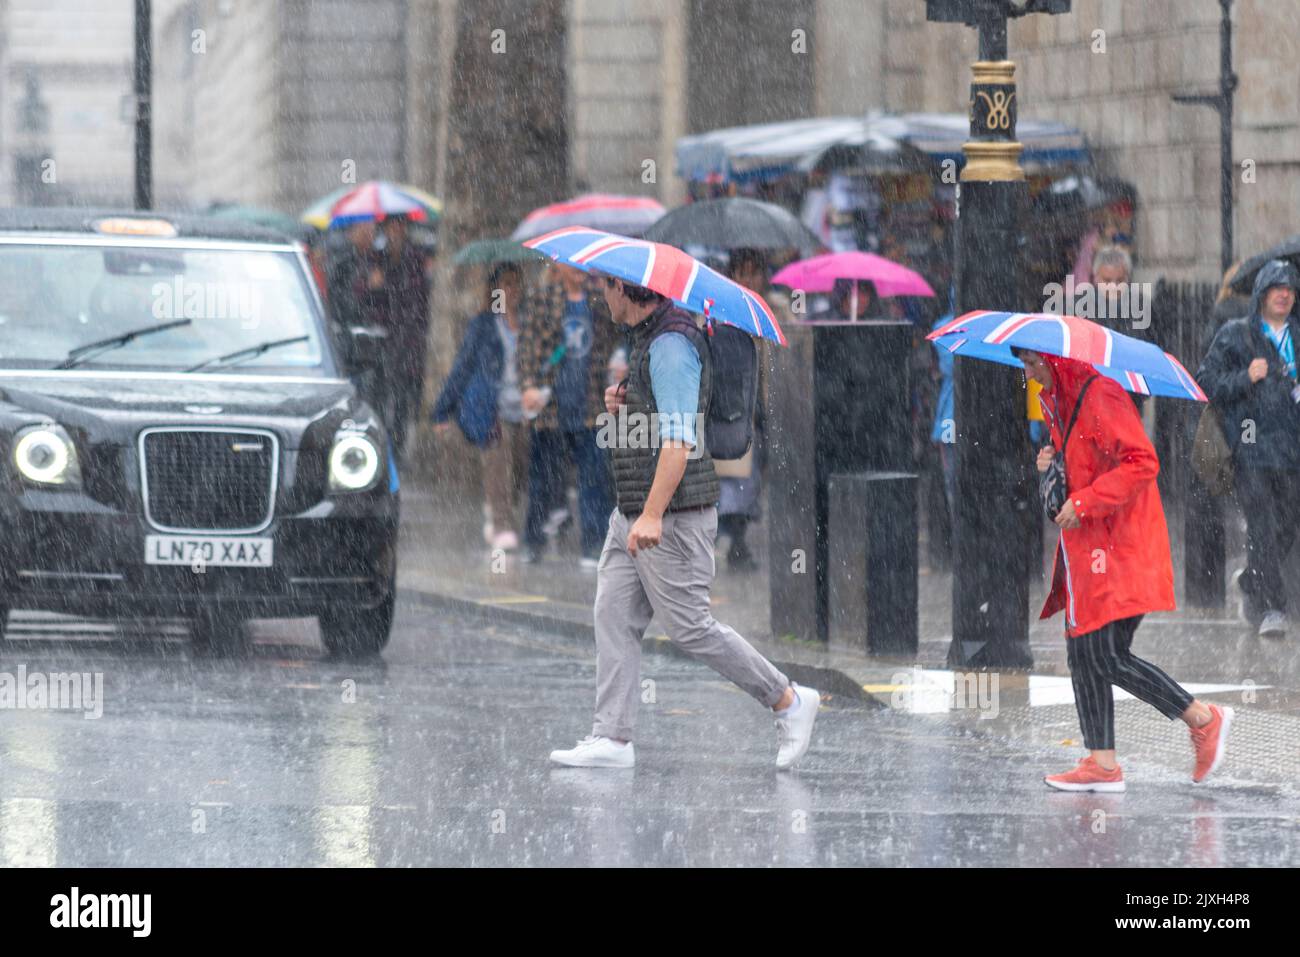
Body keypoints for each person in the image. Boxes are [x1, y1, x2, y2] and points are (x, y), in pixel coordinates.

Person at [549, 275, 819, 770]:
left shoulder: (671, 345)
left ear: (624, 290)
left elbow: (678, 441)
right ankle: (612, 737)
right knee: (613, 615)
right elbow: (655, 422)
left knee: (691, 627)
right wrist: (623, 404)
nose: (600, 297)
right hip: (632, 510)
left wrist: (652, 514)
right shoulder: (652, 337)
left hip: (670, 516)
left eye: (605, 288)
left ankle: (788, 700)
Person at [1019, 348, 1233, 792]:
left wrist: (1084, 500)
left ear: (1054, 360)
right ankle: (1102, 761)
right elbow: (1084, 464)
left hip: (1121, 548)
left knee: (1103, 655)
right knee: (1082, 652)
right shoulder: (1058, 402)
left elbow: (1142, 461)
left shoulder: (1100, 396)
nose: (1030, 375)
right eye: (1024, 366)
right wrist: (1052, 465)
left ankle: (1202, 718)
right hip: (1090, 550)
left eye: (1033, 364)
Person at [1197, 259, 1300, 637]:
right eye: (1277, 288)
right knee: (1262, 526)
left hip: (1291, 447)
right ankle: (1273, 609)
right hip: (1251, 443)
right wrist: (1245, 377)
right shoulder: (1235, 334)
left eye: (1289, 289)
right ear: (1261, 294)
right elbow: (1206, 379)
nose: (1284, 295)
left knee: (1287, 523)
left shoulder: (1297, 336)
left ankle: (1254, 579)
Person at [519, 263, 618, 568]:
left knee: (594, 479)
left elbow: (614, 339)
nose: (578, 269)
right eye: (571, 263)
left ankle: (593, 544)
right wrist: (529, 385)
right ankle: (533, 541)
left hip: (589, 406)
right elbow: (529, 347)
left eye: (582, 264)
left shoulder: (599, 300)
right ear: (558, 266)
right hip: (551, 407)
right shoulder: (542, 298)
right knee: (543, 480)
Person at [430, 263, 528, 551]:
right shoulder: (484, 324)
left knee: (519, 468)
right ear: (495, 289)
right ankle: (501, 525)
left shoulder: (528, 321)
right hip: (491, 407)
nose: (512, 290)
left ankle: (497, 511)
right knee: (498, 464)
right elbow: (462, 367)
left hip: (523, 407)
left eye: (516, 283)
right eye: (507, 284)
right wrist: (441, 411)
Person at [717, 248, 771, 572]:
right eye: (742, 272)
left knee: (750, 482)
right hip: (733, 410)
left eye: (755, 272)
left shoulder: (772, 311)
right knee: (737, 480)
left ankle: (737, 538)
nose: (749, 279)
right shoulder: (722, 312)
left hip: (763, 410)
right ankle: (735, 541)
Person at [373, 215, 432, 464]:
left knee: (402, 399)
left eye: (400, 227)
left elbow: (418, 296)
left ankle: (396, 450)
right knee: (382, 397)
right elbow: (370, 300)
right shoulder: (378, 259)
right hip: (384, 339)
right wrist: (375, 286)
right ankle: (382, 448)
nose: (395, 232)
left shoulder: (415, 258)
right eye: (391, 227)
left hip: (408, 338)